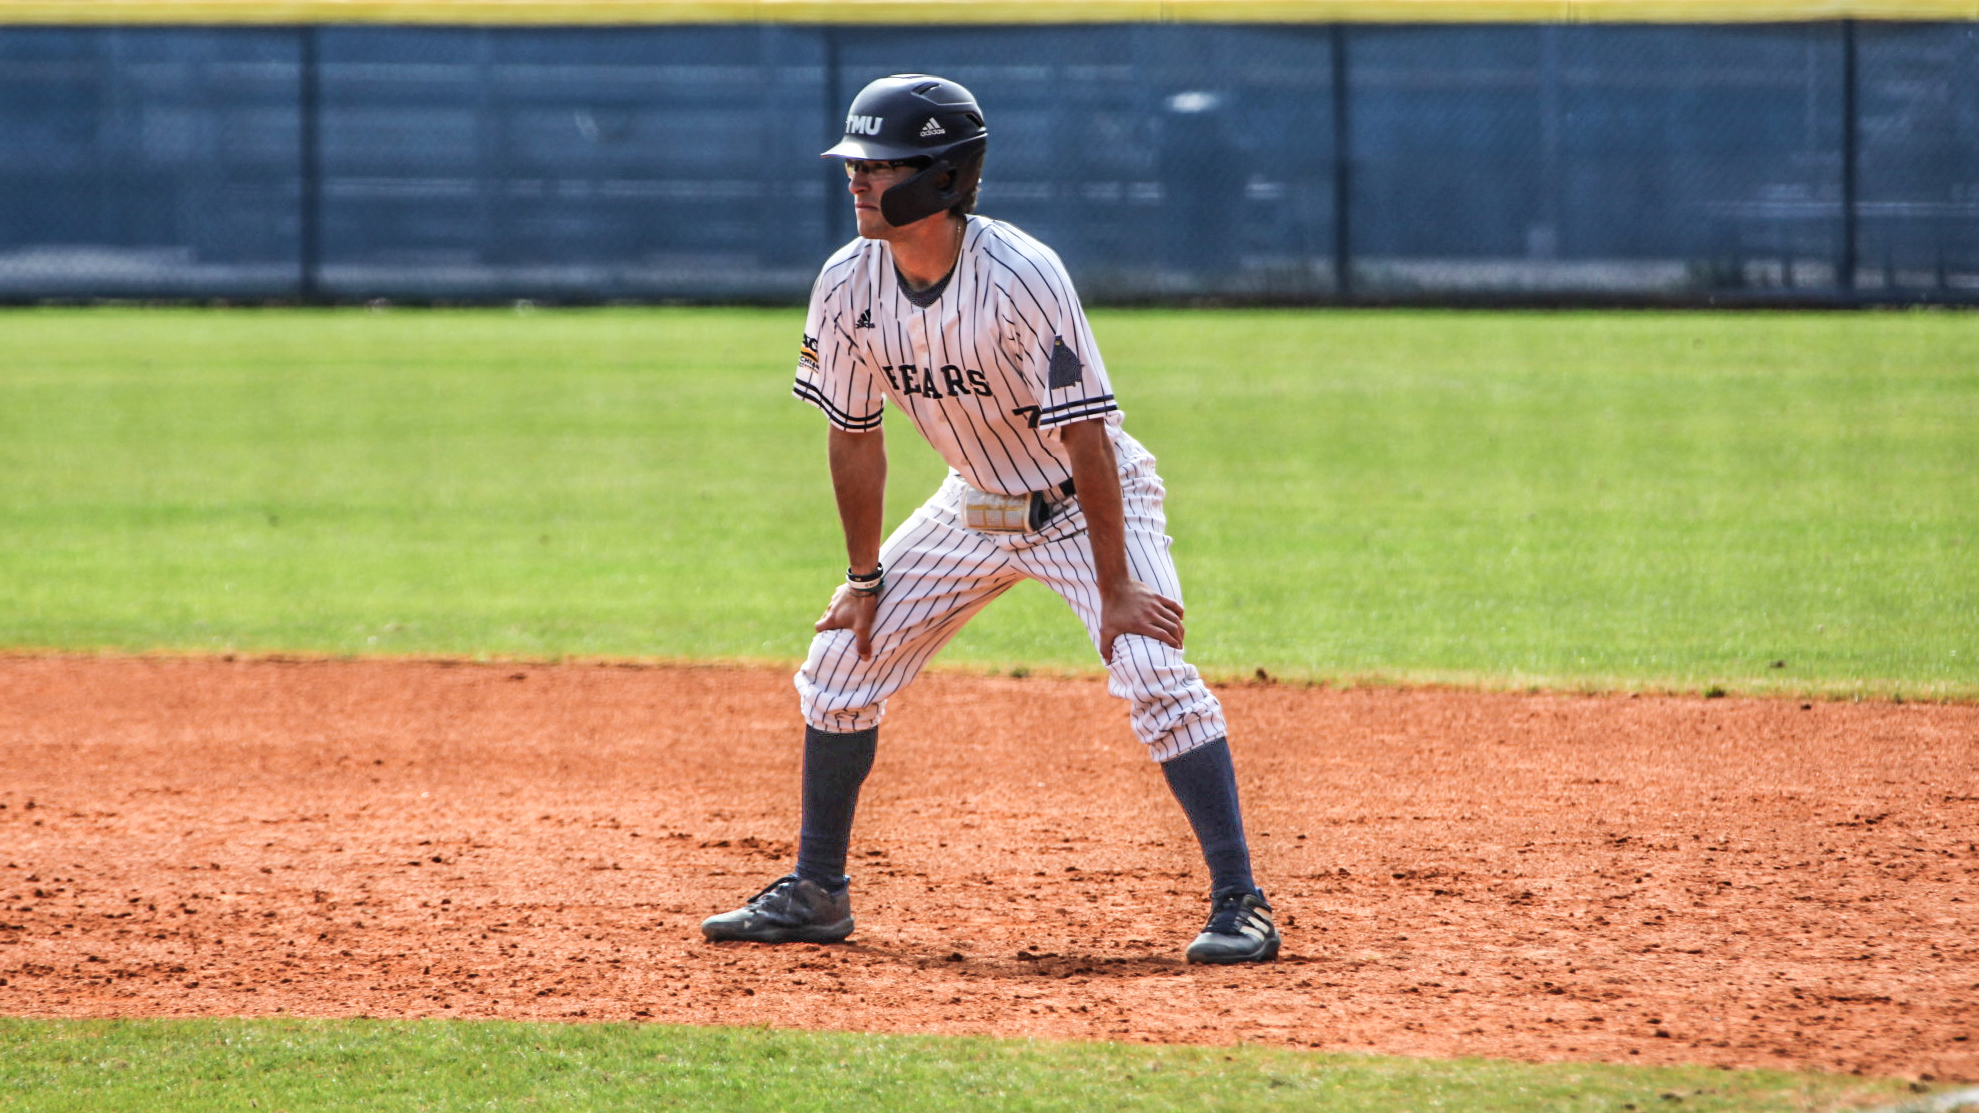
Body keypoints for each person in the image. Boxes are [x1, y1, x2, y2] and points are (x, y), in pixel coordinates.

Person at [701, 74, 1278, 964]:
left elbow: (1085, 433)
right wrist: (863, 582)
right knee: (837, 664)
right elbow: (854, 438)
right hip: (969, 502)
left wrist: (1117, 587)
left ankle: (1240, 900)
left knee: (1154, 669)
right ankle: (817, 889)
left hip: (1085, 502)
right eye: (852, 164)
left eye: (875, 166)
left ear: (939, 178)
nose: (854, 180)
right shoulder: (848, 282)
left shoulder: (1022, 275)